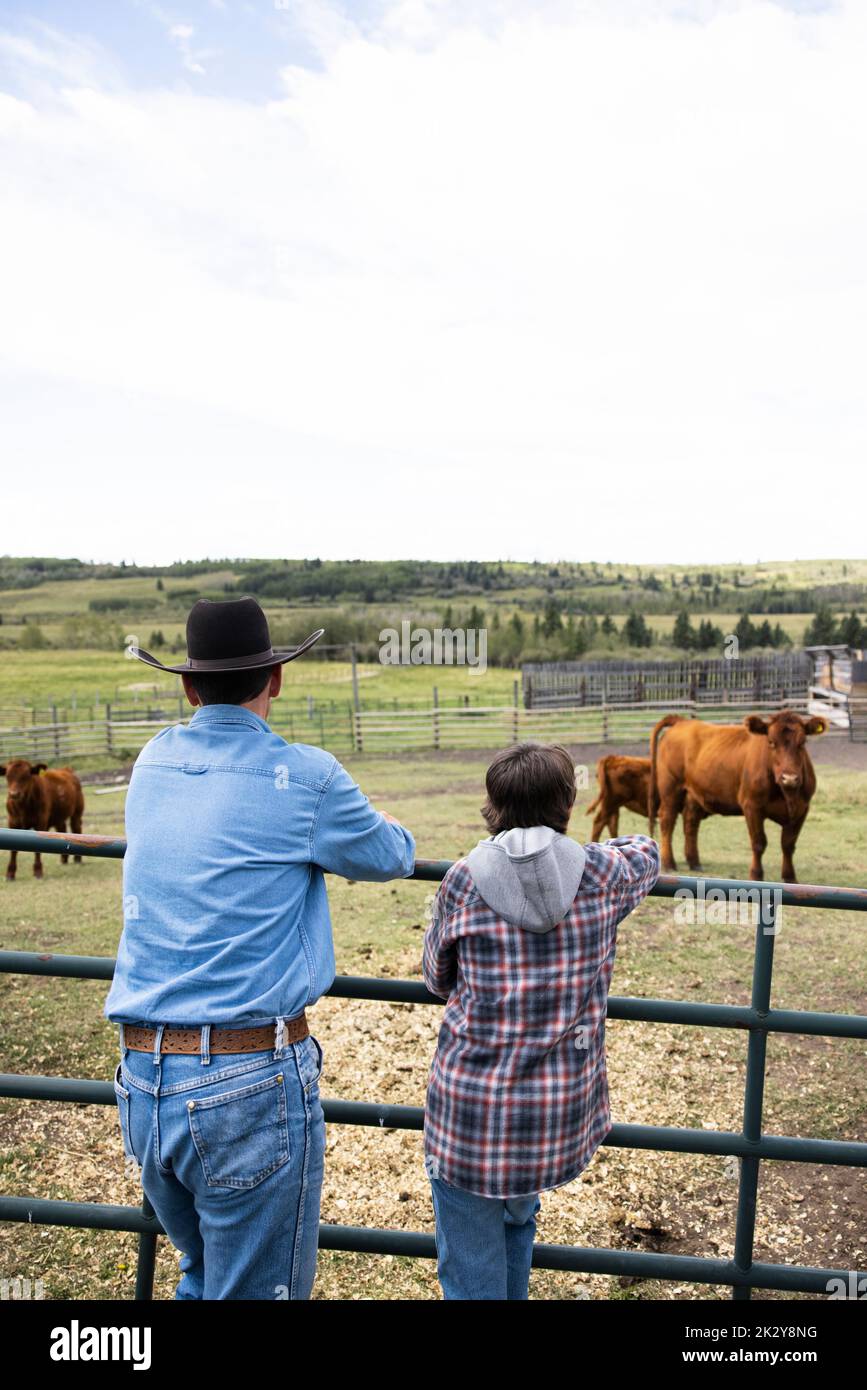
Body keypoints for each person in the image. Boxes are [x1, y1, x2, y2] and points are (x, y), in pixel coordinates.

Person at [104, 596, 415, 1300]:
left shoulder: (153, 761)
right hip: (244, 1084)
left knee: (203, 1275)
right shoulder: (308, 777)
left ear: (187, 685)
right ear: (276, 678)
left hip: (144, 1079)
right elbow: (390, 855)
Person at [422, 740, 659, 1300]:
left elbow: (436, 977)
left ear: (493, 805)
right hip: (553, 1117)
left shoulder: (462, 880)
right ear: (567, 805)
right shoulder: (603, 874)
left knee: (468, 1261)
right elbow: (647, 848)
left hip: (470, 1115)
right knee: (518, 1219)